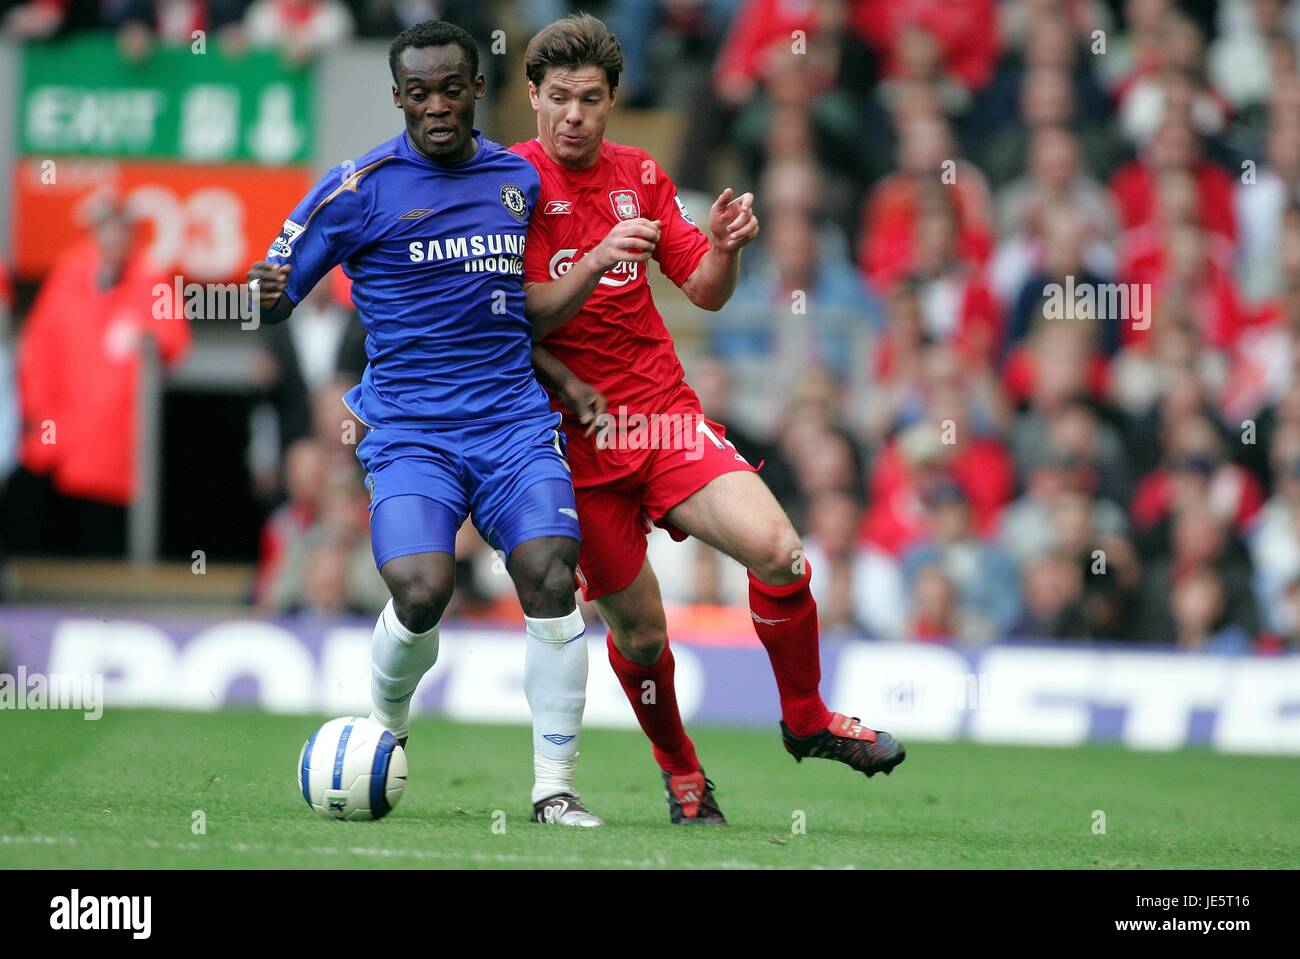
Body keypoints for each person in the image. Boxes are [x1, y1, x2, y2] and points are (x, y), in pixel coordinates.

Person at [512, 14, 906, 826]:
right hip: (572, 449)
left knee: (781, 552)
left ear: (614, 98)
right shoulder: (506, 187)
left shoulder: (643, 176)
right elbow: (511, 321)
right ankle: (683, 770)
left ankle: (805, 717)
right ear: (533, 98)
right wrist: (592, 261)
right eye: (559, 99)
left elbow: (706, 290)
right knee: (645, 636)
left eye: (590, 98)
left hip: (661, 418)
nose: (575, 115)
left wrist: (726, 248)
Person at [246, 20, 600, 827]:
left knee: (551, 572)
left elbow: (512, 311)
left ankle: (554, 787)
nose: (436, 106)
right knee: (420, 588)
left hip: (512, 422)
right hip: (411, 432)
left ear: (477, 90)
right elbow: (269, 299)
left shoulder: (518, 180)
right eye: (418, 93)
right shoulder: (355, 188)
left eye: (451, 89)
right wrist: (237, 297)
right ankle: (387, 729)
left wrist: (565, 378)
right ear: (397, 96)